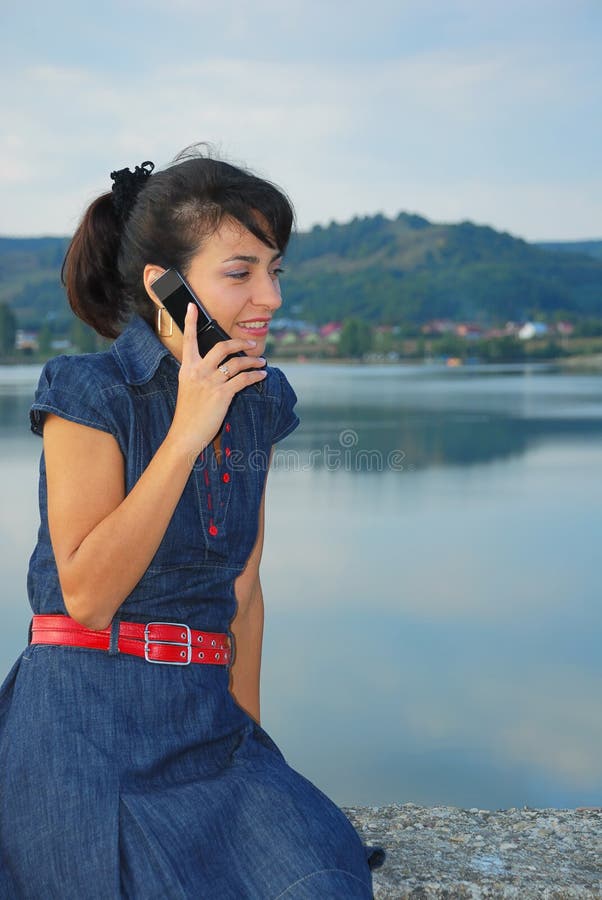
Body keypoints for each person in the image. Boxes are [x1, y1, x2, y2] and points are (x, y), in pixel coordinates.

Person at [0, 146, 385, 898]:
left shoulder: (260, 398)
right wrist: (186, 432)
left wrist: (253, 751)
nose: (270, 296)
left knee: (320, 882)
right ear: (165, 287)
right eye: (240, 273)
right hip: (81, 728)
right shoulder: (87, 392)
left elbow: (244, 589)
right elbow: (87, 596)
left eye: (275, 270)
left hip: (209, 727)